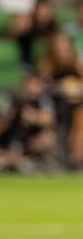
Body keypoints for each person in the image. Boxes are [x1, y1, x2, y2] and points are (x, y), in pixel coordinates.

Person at [0, 70, 56, 172]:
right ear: (24, 84)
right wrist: (10, 117)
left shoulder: (42, 99)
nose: (36, 89)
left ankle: (12, 162)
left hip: (26, 145)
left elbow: (50, 120)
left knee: (48, 138)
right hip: (4, 143)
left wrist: (33, 116)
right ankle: (11, 160)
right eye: (33, 85)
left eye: (38, 85)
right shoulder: (10, 98)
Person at [39, 33, 83, 169]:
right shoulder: (47, 66)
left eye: (65, 46)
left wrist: (75, 88)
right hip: (56, 106)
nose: (63, 50)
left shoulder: (77, 65)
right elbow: (41, 87)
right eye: (59, 46)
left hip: (77, 106)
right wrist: (60, 88)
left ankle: (77, 156)